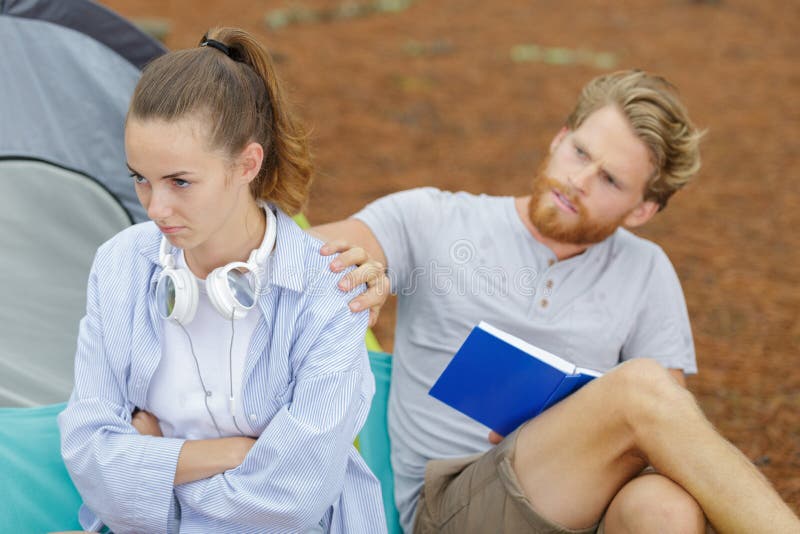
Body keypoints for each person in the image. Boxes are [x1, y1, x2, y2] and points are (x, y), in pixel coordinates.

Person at [311, 70, 800, 533]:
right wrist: (361, 268)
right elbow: (311, 251)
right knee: (641, 387)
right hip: (454, 505)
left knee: (663, 507)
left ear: (642, 209)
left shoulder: (646, 271)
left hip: (583, 502)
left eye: (610, 180)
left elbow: (667, 433)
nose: (580, 180)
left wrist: (567, 430)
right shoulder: (435, 219)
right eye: (580, 152)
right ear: (558, 137)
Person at [57, 28, 386, 533]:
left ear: (247, 164)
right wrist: (229, 454)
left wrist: (155, 460)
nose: (155, 207)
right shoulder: (119, 265)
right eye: (140, 178)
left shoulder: (331, 289)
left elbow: (290, 500)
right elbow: (86, 452)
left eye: (180, 181)